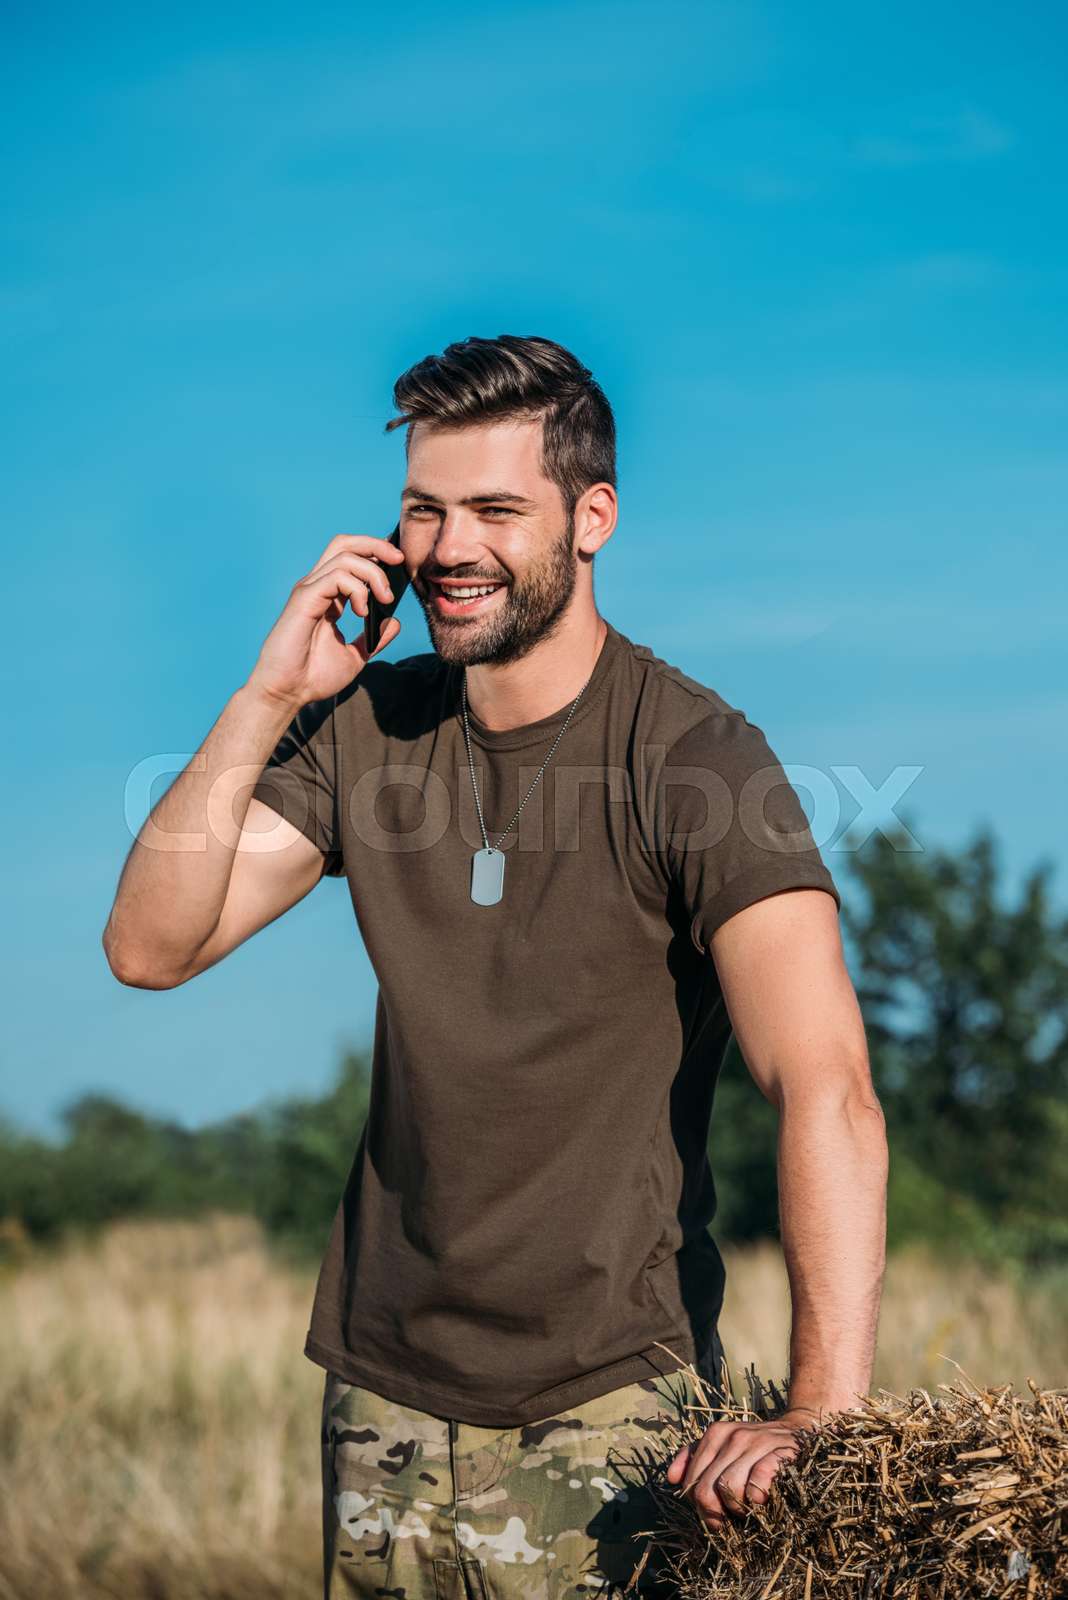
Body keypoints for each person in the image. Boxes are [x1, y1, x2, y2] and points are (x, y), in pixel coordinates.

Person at [102, 334, 888, 1599]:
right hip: (382, 1405)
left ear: (593, 519)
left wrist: (819, 1409)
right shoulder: (368, 725)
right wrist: (265, 696)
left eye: (493, 510)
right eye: (424, 508)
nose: (448, 546)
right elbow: (149, 946)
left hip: (611, 1415)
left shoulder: (698, 758)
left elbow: (828, 1086)